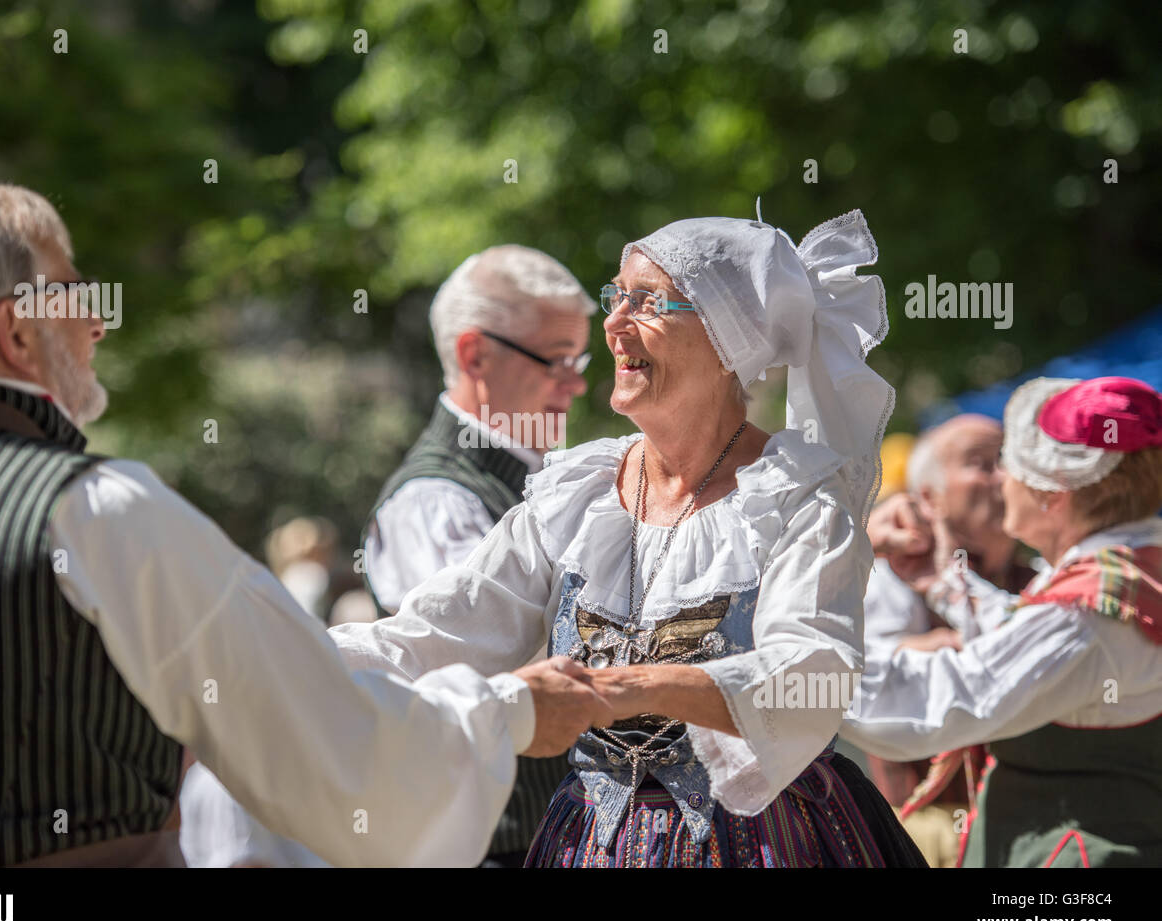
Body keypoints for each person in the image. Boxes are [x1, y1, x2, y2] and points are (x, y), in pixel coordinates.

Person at [0, 178, 613, 867]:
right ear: (16, 332)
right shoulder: (96, 510)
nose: (97, 319)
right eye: (73, 289)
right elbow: (324, 741)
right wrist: (511, 711)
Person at [334, 209, 927, 867]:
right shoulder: (580, 492)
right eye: (616, 295)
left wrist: (635, 685)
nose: (613, 322)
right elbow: (438, 634)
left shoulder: (795, 496)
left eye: (648, 302)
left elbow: (811, 674)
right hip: (593, 841)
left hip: (762, 842)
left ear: (728, 338)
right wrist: (277, 651)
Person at [844, 376, 1162, 867]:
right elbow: (1026, 630)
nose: (1002, 479)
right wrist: (943, 582)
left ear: (1052, 495)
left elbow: (935, 704)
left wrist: (793, 665)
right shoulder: (1130, 570)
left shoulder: (1086, 610)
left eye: (1008, 463)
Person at [363, 244, 592, 866]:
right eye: (557, 360)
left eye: (580, 358)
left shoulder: (548, 475)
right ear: (474, 354)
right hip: (501, 845)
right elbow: (483, 658)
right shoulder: (435, 499)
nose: (577, 381)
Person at [858, 415, 1036, 865]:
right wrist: (931, 644)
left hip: (1033, 825)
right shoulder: (890, 575)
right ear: (929, 497)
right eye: (984, 463)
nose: (1005, 476)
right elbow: (855, 670)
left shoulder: (1040, 579)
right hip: (929, 828)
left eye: (1008, 461)